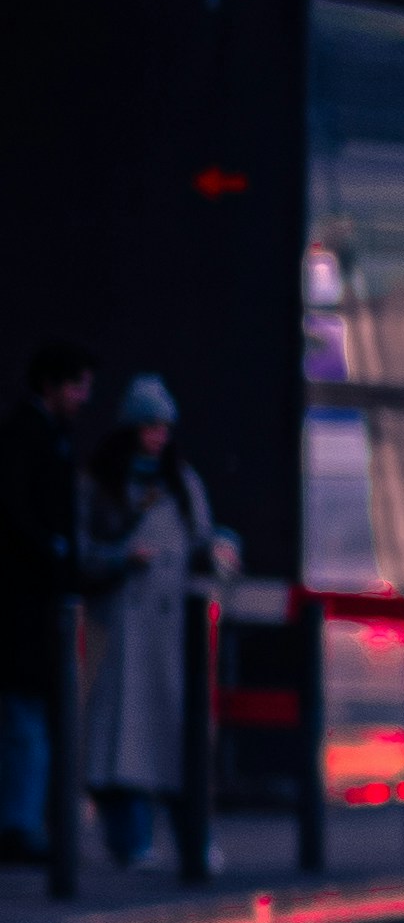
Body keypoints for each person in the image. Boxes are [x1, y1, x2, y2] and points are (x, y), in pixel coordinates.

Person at [83, 376, 234, 868]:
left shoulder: (180, 482)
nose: (158, 435)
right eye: (150, 425)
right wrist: (121, 557)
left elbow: (202, 539)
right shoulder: (100, 484)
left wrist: (217, 553)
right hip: (120, 625)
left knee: (168, 740)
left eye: (164, 426)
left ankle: (182, 843)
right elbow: (84, 548)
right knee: (121, 743)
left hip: (166, 628)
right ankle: (130, 841)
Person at [0, 340, 103, 869]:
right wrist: (53, 551)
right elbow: (20, 512)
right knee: (27, 715)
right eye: (76, 384)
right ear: (51, 385)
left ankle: (25, 821)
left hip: (34, 600)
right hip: (27, 603)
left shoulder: (45, 435)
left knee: (30, 714)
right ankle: (19, 825)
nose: (83, 396)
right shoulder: (28, 437)